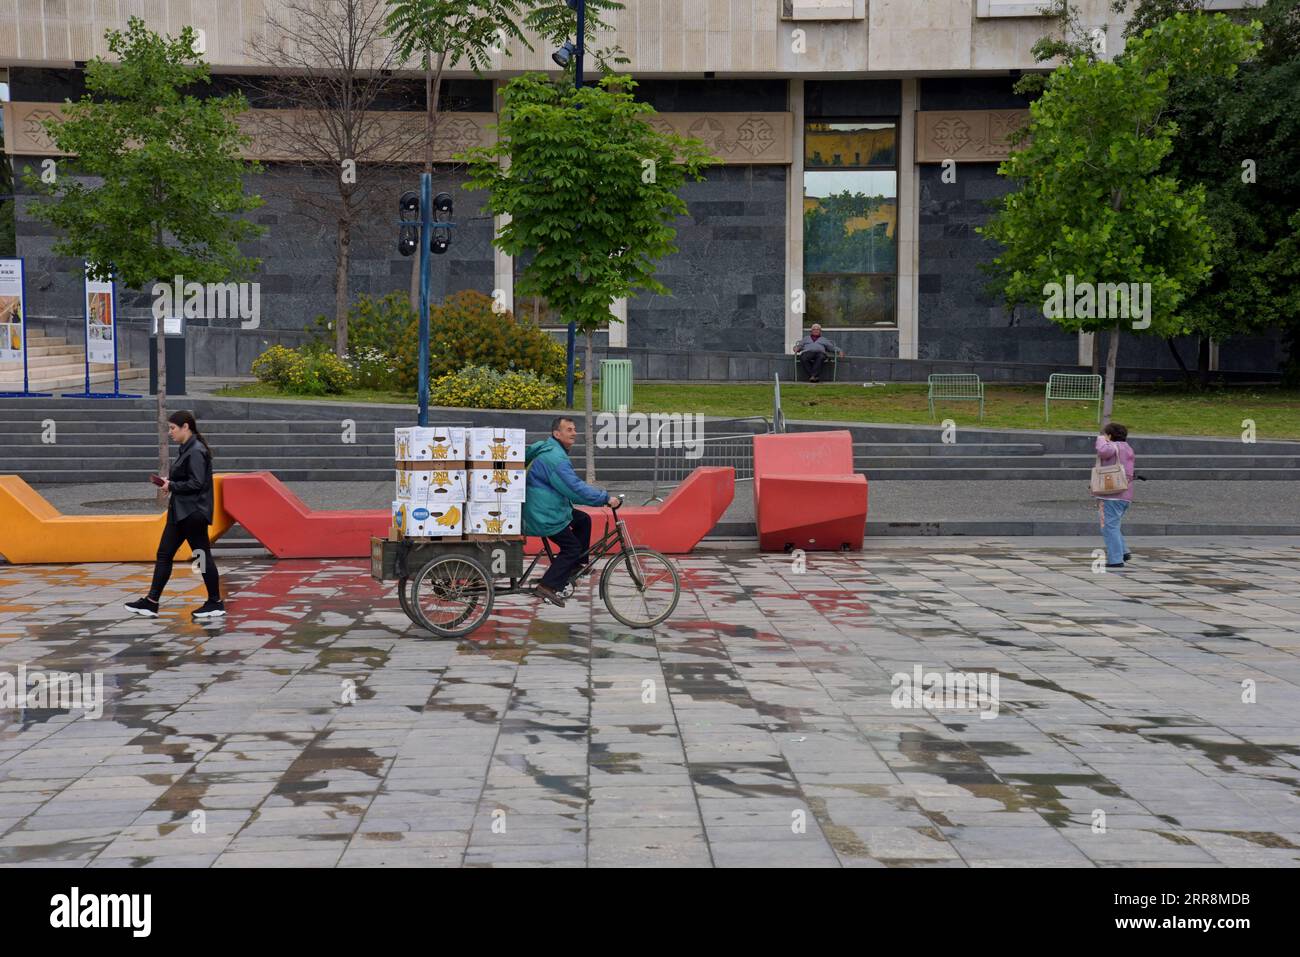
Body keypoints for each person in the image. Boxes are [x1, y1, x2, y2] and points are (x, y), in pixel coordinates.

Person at [124, 411, 225, 619]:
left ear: (185, 427)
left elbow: (197, 483)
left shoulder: (196, 450)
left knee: (201, 557)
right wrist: (170, 482)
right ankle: (151, 602)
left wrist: (172, 485)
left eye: (173, 428)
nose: (170, 432)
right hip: (181, 512)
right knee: (165, 554)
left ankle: (215, 602)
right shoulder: (187, 448)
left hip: (192, 512)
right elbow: (188, 478)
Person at [523, 416, 620, 608]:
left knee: (583, 519)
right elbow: (574, 489)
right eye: (569, 429)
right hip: (543, 515)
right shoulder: (555, 458)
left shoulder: (551, 450)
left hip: (546, 507)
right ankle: (547, 586)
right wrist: (605, 498)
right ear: (556, 433)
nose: (574, 433)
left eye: (574, 429)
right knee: (572, 548)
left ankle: (576, 565)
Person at [1094, 422, 1136, 569]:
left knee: (1108, 527)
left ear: (1110, 435)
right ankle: (1123, 551)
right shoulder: (1127, 448)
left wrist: (1101, 439)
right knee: (1114, 526)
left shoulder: (1112, 447)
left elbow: (1102, 451)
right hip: (1125, 495)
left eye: (1106, 434)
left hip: (1111, 495)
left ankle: (1116, 559)